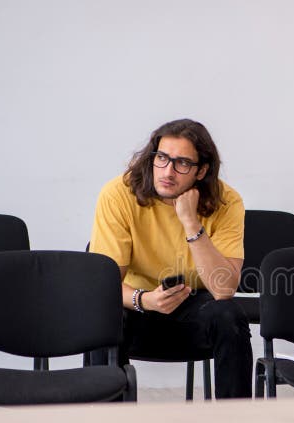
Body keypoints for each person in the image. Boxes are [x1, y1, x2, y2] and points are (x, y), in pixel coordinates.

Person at [89, 118, 252, 398]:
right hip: (135, 303)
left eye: (182, 163)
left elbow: (223, 289)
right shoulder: (118, 194)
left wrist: (190, 222)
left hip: (195, 306)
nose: (168, 171)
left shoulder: (227, 201)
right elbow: (104, 287)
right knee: (100, 316)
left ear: (201, 171)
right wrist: (144, 300)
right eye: (162, 158)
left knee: (229, 315)